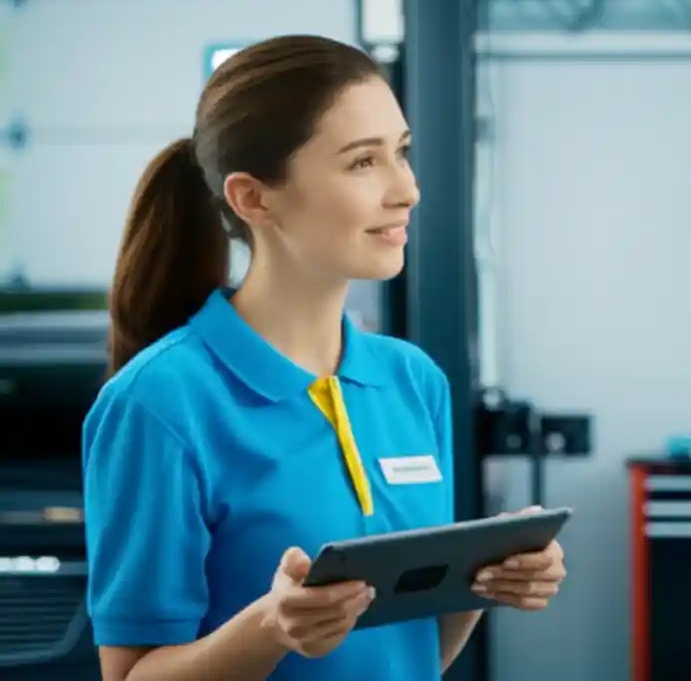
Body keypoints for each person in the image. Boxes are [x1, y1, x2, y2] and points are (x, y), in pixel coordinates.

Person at [81, 34, 567, 681]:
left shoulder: (412, 381)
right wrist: (270, 628)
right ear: (254, 198)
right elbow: (129, 676)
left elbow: (412, 654)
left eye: (401, 152)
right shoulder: (160, 402)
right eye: (363, 162)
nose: (408, 190)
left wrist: (486, 579)